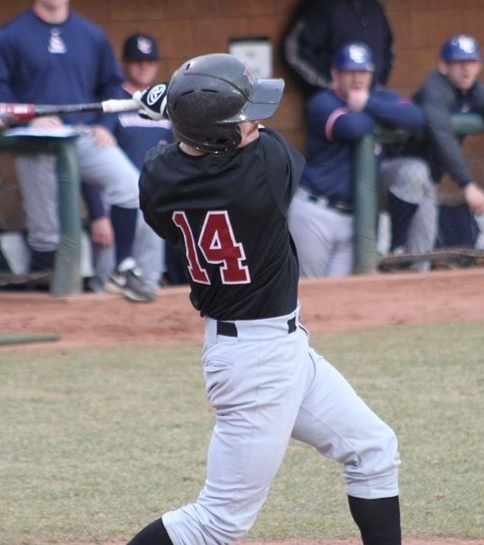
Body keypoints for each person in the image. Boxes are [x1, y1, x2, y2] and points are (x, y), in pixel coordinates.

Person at [130, 53, 402, 545]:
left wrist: (172, 113)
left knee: (372, 448)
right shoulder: (264, 171)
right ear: (220, 137)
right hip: (256, 363)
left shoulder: (157, 181)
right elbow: (257, 144)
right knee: (216, 523)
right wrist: (171, 109)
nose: (257, 121)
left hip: (274, 348)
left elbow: (169, 156)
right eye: (244, 118)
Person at [0, 0, 154, 302]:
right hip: (35, 140)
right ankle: (43, 298)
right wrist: (29, 116)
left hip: (81, 135)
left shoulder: (91, 34)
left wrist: (104, 125)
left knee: (130, 186)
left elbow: (112, 85)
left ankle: (122, 268)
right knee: (46, 231)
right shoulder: (11, 35)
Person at [381, 34, 484, 264]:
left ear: (478, 66)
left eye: (470, 62)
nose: (465, 69)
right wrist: (467, 184)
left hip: (426, 184)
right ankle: (394, 251)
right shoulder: (434, 88)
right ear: (444, 66)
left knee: (421, 257)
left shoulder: (476, 92)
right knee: (413, 178)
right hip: (391, 177)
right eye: (459, 63)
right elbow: (441, 135)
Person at [287, 42, 423, 277]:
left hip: (355, 219)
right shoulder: (322, 102)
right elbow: (351, 127)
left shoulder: (376, 98)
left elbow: (415, 117)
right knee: (308, 292)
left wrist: (368, 104)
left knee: (342, 296)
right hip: (315, 211)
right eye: (349, 72)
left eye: (362, 72)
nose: (357, 79)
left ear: (371, 74)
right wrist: (382, 114)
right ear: (335, 74)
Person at [85, 32, 174, 294]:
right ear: (124, 63)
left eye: (150, 60)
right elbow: (90, 162)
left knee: (149, 283)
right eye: (137, 61)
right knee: (110, 282)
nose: (144, 66)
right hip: (116, 209)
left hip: (152, 208)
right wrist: (97, 214)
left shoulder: (163, 106)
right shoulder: (112, 100)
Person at [282, 0, 394, 98]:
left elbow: (388, 48)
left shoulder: (374, 7)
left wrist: (380, 82)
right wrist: (329, 83)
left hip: (371, 98)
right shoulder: (322, 6)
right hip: (332, 102)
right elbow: (294, 50)